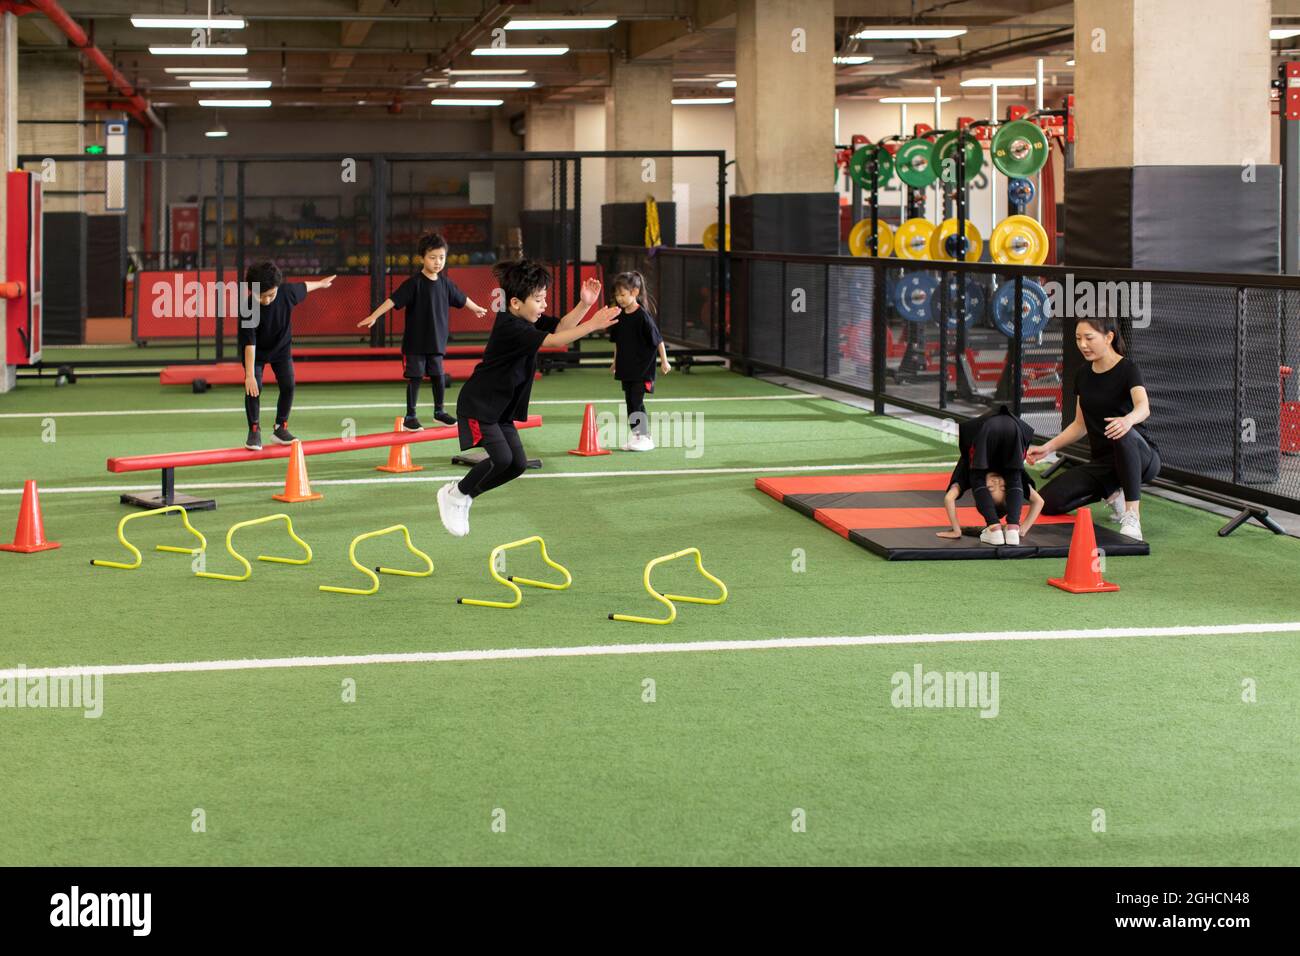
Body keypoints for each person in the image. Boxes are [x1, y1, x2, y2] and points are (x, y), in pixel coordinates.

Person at [436, 260, 621, 537]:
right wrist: (593, 324)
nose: (544, 304)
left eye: (544, 298)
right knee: (500, 459)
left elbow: (559, 328)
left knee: (516, 465)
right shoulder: (510, 326)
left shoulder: (527, 319)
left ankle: (465, 496)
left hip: (502, 410)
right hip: (480, 406)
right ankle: (455, 493)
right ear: (515, 303)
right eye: (538, 299)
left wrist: (584, 305)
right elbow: (555, 342)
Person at [1026, 316, 1158, 541]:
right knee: (1046, 502)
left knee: (1121, 430)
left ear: (1109, 337)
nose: (1083, 345)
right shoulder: (1083, 374)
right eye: (1078, 338)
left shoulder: (1128, 368)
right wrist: (1048, 448)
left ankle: (1132, 514)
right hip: (1105, 464)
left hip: (1141, 457)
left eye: (1089, 338)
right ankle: (1113, 492)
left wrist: (1127, 420)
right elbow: (1079, 425)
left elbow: (1143, 408)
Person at [356, 233, 488, 429]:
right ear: (421, 259)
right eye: (432, 257)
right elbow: (392, 301)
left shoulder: (446, 284)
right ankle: (410, 416)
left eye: (441, 258)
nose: (437, 262)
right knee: (415, 377)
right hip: (415, 343)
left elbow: (462, 298)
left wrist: (476, 307)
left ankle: (439, 412)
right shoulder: (414, 283)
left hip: (436, 342)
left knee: (438, 376)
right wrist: (374, 315)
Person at [240, 261, 335, 450]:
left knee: (288, 385)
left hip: (281, 349)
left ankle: (280, 428)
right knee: (254, 387)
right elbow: (249, 344)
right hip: (256, 352)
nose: (266, 300)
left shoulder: (288, 293)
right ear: (252, 291)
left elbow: (306, 286)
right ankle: (254, 430)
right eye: (262, 296)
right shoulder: (248, 307)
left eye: (271, 295)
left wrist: (321, 284)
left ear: (278, 288)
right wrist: (249, 376)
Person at [936, 406, 1045, 545]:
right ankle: (1013, 527)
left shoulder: (968, 473)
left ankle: (994, 527)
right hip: (1015, 428)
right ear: (1009, 493)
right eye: (1003, 487)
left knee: (978, 474)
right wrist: (1022, 530)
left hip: (987, 428)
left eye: (991, 488)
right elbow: (1039, 501)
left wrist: (957, 530)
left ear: (982, 496)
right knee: (1015, 475)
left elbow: (949, 498)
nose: (996, 482)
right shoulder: (1011, 475)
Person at [608, 271, 671, 451]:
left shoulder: (643, 316)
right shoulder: (619, 316)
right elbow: (618, 343)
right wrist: (615, 361)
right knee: (630, 402)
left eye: (623, 294)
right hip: (626, 368)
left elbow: (658, 340)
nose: (619, 298)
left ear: (635, 292)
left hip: (642, 369)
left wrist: (664, 362)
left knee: (636, 401)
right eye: (617, 295)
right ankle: (638, 436)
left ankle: (645, 437)